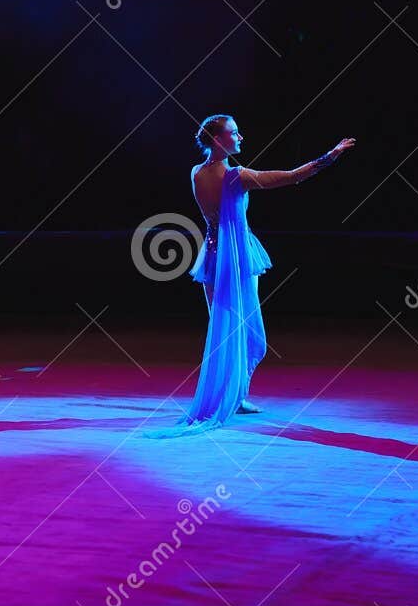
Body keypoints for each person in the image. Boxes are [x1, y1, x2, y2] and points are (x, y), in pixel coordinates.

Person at [145, 115, 355, 437]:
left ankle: (235, 395)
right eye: (234, 132)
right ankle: (232, 396)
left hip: (213, 257)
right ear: (219, 140)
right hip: (235, 260)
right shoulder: (236, 177)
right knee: (251, 338)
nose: (241, 136)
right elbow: (292, 177)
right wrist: (332, 155)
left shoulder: (196, 172)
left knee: (226, 332)